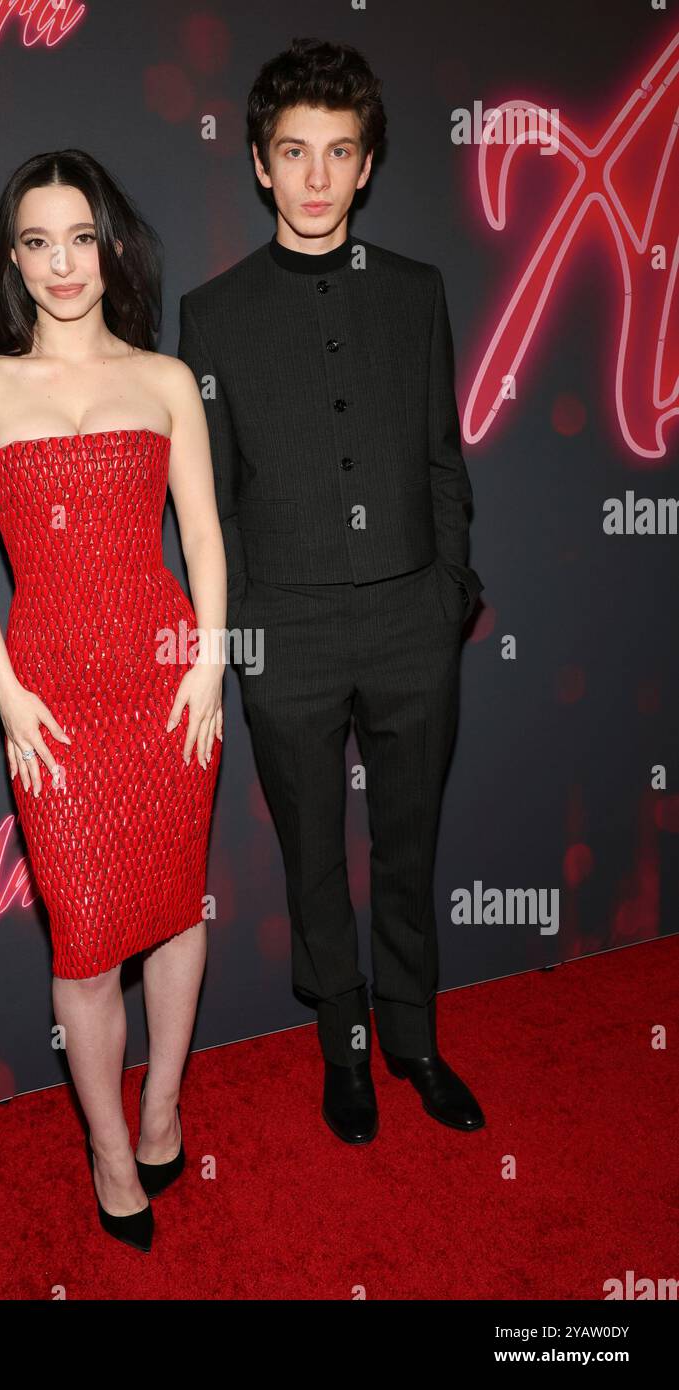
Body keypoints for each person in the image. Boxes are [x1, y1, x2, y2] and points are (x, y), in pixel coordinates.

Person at [178, 38, 485, 1145]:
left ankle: (414, 1038)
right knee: (314, 859)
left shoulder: (416, 292)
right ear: (261, 163)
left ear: (365, 165)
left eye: (337, 153)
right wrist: (244, 634)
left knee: (410, 842)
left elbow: (444, 460)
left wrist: (448, 593)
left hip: (413, 619)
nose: (315, 177)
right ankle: (345, 1048)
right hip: (287, 637)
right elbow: (207, 504)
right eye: (294, 152)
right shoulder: (212, 317)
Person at [0, 151, 226, 1249]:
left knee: (174, 912)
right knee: (87, 941)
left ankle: (160, 1108)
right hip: (50, 700)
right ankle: (108, 1145)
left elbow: (200, 534)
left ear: (112, 246)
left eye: (80, 236)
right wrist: (8, 696)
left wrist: (206, 665)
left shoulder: (162, 378)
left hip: (166, 690)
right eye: (36, 241)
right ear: (13, 260)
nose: (63, 263)